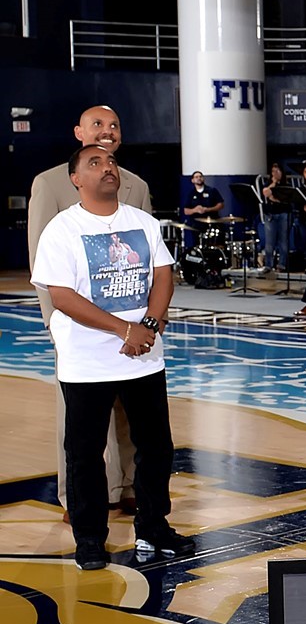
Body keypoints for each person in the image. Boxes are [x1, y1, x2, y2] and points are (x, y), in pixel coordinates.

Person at [30, 145, 195, 570]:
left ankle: (154, 527)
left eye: (111, 162)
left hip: (143, 358)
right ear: (76, 179)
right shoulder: (61, 230)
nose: (107, 168)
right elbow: (62, 296)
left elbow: (162, 276)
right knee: (84, 455)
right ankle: (89, 539)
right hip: (87, 364)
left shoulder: (142, 223)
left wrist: (150, 328)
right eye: (94, 163)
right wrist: (124, 329)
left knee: (156, 449)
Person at [27, 104, 151, 521]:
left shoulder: (136, 186)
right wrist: (54, 323)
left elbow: (149, 260)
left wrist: (146, 321)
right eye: (98, 124)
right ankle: (76, 497)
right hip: (79, 323)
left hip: (129, 322)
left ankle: (128, 486)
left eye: (114, 125)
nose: (108, 130)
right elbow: (39, 262)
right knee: (78, 419)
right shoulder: (49, 184)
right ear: (79, 132)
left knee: (128, 412)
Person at [259, 161, 293, 272]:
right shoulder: (268, 184)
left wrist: (274, 198)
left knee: (283, 241)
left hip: (283, 214)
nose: (275, 173)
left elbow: (283, 199)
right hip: (270, 215)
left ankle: (282, 265)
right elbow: (266, 193)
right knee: (269, 242)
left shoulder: (286, 185)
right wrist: (273, 184)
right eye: (273, 171)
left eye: (277, 171)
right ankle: (268, 265)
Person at [181, 172, 225, 248]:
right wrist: (195, 210)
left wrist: (208, 209)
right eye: (196, 177)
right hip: (196, 225)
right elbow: (186, 210)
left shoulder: (212, 191)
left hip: (212, 223)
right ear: (192, 180)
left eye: (200, 176)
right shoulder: (191, 193)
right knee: (197, 245)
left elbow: (220, 204)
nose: (199, 178)